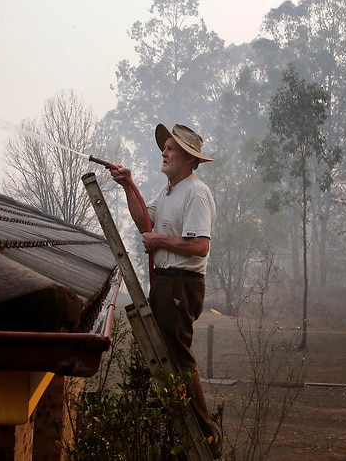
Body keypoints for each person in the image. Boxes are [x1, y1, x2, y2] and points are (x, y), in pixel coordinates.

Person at [108, 123, 220, 459]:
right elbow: (146, 222)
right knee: (167, 360)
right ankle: (180, 435)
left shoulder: (196, 192)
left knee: (179, 359)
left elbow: (200, 246)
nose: (164, 153)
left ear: (188, 158)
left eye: (170, 149)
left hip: (180, 285)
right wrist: (128, 184)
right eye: (165, 147)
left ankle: (205, 436)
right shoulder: (169, 191)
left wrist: (159, 241)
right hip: (165, 282)